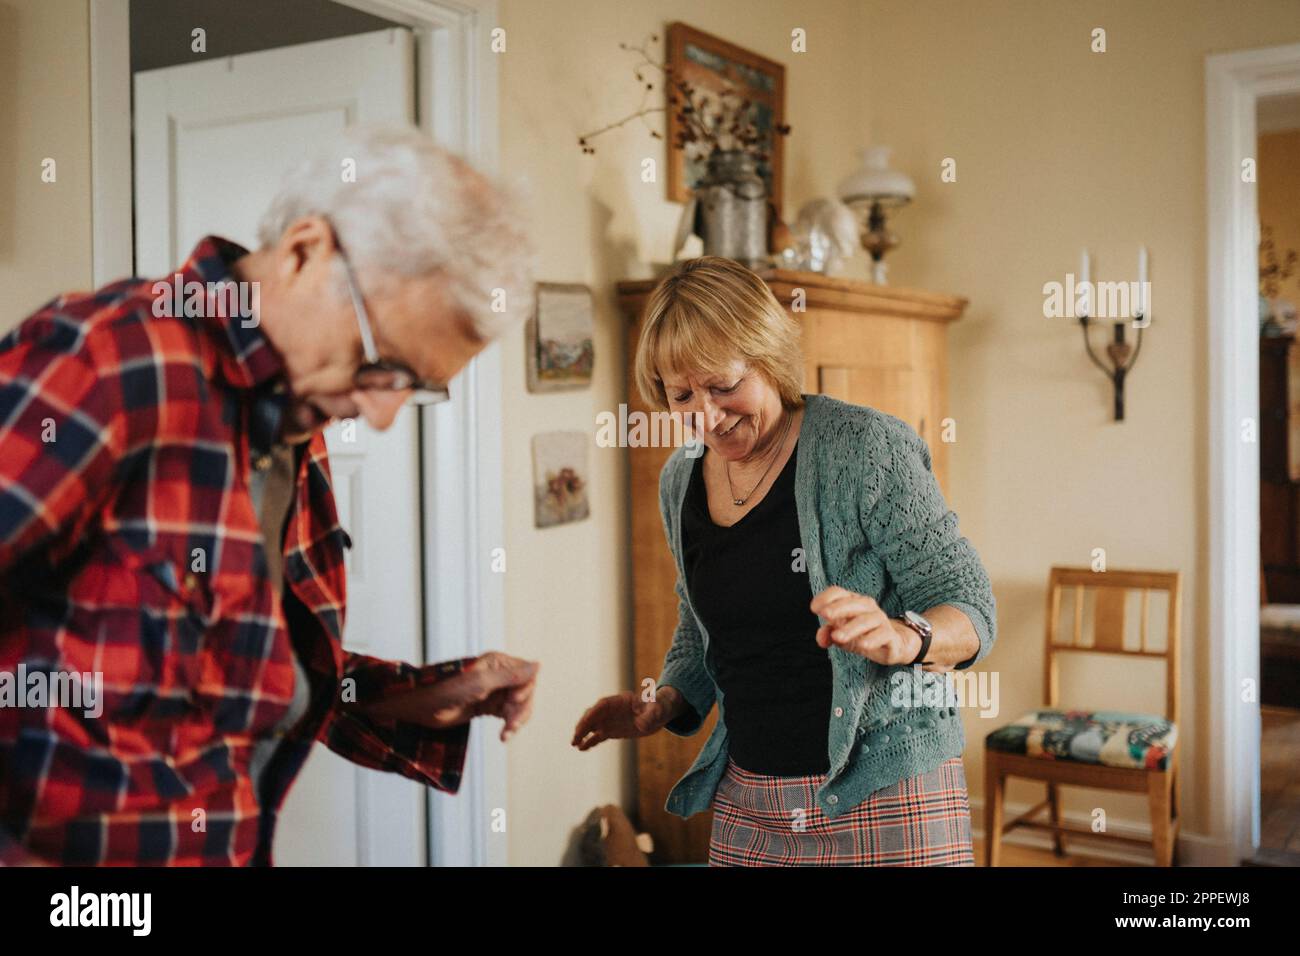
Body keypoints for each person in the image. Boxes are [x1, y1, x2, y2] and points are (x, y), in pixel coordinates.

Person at [0, 124, 539, 865]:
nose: (381, 415)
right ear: (304, 252)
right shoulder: (109, 365)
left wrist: (426, 694)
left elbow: (239, 676)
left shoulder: (289, 425)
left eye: (412, 387)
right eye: (378, 364)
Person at [573, 256, 996, 866]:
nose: (708, 416)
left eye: (724, 385)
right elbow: (701, 630)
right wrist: (661, 703)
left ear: (767, 357)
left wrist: (905, 637)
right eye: (681, 394)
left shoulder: (867, 448)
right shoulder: (679, 482)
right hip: (751, 795)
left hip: (888, 787)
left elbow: (972, 607)